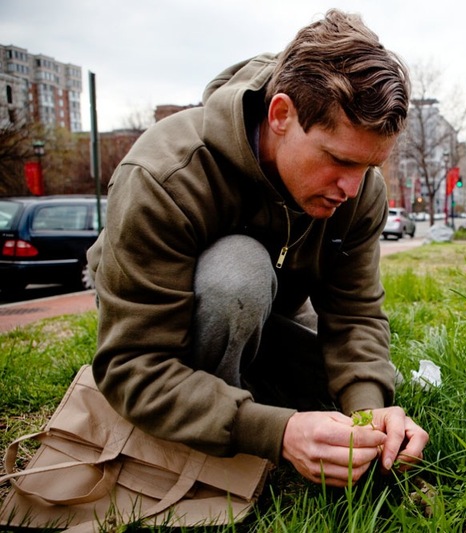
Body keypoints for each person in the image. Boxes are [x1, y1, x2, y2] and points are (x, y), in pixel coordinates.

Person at [87, 9, 428, 488]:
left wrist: (368, 414)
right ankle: (227, 455)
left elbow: (354, 315)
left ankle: (243, 396)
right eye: (338, 160)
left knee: (331, 390)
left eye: (369, 166)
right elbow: (133, 367)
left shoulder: (359, 189)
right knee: (237, 275)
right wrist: (276, 432)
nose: (352, 188)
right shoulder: (164, 176)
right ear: (281, 115)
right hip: (172, 305)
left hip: (275, 304)